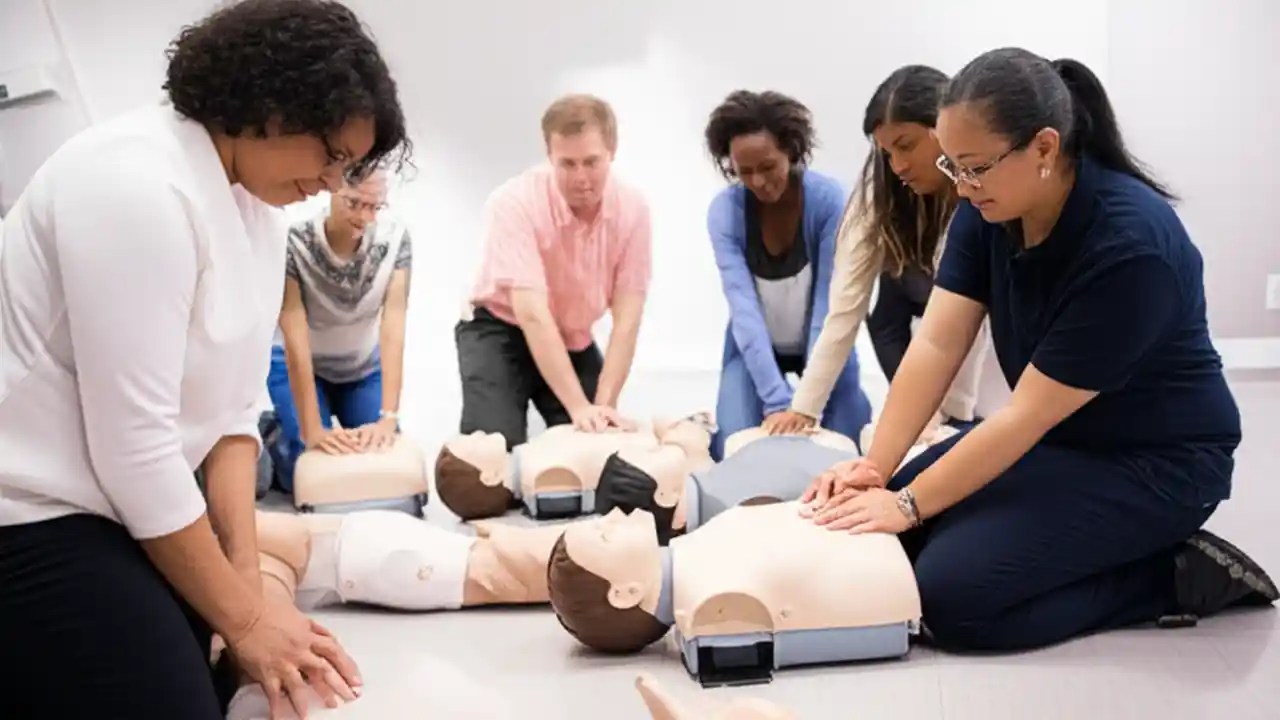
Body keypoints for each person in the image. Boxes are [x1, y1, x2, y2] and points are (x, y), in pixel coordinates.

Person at [0, 1, 410, 717]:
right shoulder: (133, 182)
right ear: (272, 104)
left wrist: (246, 589)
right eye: (332, 154)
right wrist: (248, 622)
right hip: (27, 508)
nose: (333, 181)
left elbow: (230, 419)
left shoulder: (254, 212)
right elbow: (135, 448)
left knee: (218, 660)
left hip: (113, 503)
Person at [801, 49, 1277, 652]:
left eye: (973, 167)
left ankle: (1171, 575)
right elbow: (939, 342)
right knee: (893, 539)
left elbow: (1027, 414)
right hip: (1065, 441)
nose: (960, 185)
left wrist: (909, 500)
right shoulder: (988, 204)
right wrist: (879, 470)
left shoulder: (1131, 247)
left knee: (951, 599)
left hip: (1158, 464)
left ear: (1045, 149)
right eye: (952, 166)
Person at [765, 66, 991, 437]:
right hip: (911, 297)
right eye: (887, 152)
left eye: (906, 146)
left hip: (979, 319)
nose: (898, 164)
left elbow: (970, 315)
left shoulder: (984, 191)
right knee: (889, 321)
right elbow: (845, 308)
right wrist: (804, 407)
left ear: (945, 128)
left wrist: (955, 412)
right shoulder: (879, 194)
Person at [456, 94, 652, 449]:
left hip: (572, 336)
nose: (580, 177)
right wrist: (578, 407)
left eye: (591, 162)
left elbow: (627, 319)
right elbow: (532, 314)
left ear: (612, 151)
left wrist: (602, 405)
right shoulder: (513, 202)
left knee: (601, 442)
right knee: (488, 457)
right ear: (550, 157)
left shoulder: (633, 209)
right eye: (567, 164)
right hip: (499, 329)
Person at [703, 90, 873, 459]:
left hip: (825, 345)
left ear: (792, 152)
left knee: (848, 447)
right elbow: (743, 310)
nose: (758, 181)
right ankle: (702, 425)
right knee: (734, 449)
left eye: (768, 166)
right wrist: (778, 403)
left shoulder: (829, 201)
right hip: (754, 350)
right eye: (744, 172)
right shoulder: (725, 213)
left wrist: (806, 405)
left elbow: (830, 304)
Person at [269, 169, 411, 494]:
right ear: (333, 190)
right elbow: (294, 333)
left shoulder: (396, 238)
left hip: (360, 370)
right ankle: (278, 437)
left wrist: (389, 416)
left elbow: (393, 326)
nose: (365, 217)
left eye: (375, 207)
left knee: (379, 459)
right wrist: (311, 428)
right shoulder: (295, 241)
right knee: (309, 469)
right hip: (297, 364)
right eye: (354, 203)